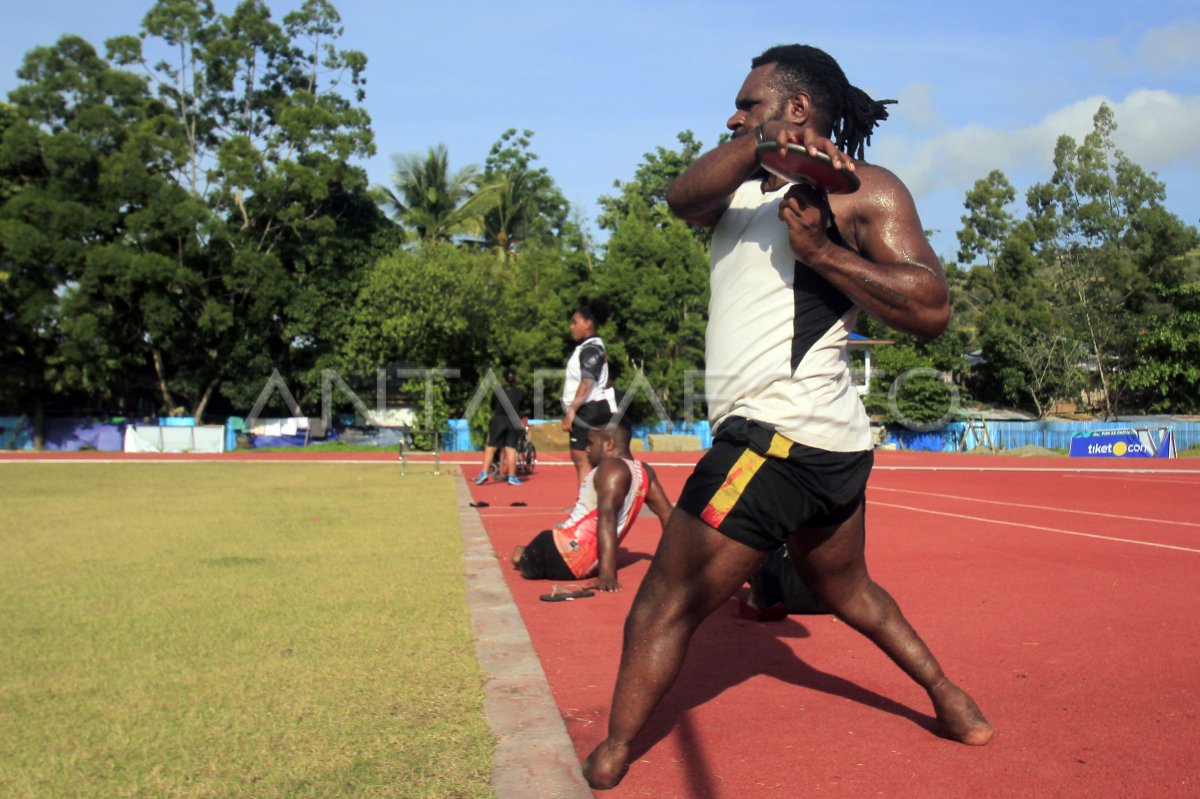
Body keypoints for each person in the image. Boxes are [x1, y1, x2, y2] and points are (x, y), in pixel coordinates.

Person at [583, 44, 992, 790]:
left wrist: (821, 253)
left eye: (748, 104)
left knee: (661, 607)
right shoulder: (734, 184)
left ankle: (610, 754)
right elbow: (679, 196)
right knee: (846, 590)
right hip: (832, 449)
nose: (732, 115)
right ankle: (953, 700)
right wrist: (762, 146)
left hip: (774, 439)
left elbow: (930, 308)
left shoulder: (866, 191)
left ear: (797, 106)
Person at [512, 415, 673, 592]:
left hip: (562, 555)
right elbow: (668, 515)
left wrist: (607, 574)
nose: (587, 449)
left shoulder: (610, 468)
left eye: (591, 443)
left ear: (609, 444)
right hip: (588, 565)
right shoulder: (645, 472)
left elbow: (607, 518)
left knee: (519, 556)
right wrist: (677, 561)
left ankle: (522, 552)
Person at [561, 298, 617, 486]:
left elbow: (586, 383)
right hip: (591, 408)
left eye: (574, 322)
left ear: (588, 324)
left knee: (582, 457)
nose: (571, 327)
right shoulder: (590, 348)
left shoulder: (590, 348)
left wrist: (571, 413)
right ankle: (589, 503)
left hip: (589, 410)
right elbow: (606, 381)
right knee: (587, 458)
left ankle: (585, 506)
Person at [474, 369, 526, 486]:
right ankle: (512, 476)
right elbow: (522, 409)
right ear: (515, 379)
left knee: (491, 446)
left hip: (498, 420)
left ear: (503, 379)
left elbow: (493, 406)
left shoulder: (498, 391)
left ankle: (484, 473)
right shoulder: (520, 392)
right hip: (513, 421)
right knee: (511, 449)